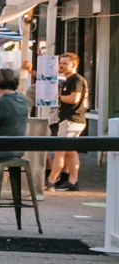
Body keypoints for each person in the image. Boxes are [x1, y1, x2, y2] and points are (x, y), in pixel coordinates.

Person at [46, 52, 89, 191]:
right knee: (70, 150)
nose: (61, 66)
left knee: (61, 149)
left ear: (74, 65)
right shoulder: (69, 80)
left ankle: (52, 180)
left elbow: (74, 99)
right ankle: (70, 180)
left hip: (71, 119)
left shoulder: (75, 80)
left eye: (65, 63)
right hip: (70, 119)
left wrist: (58, 97)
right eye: (60, 63)